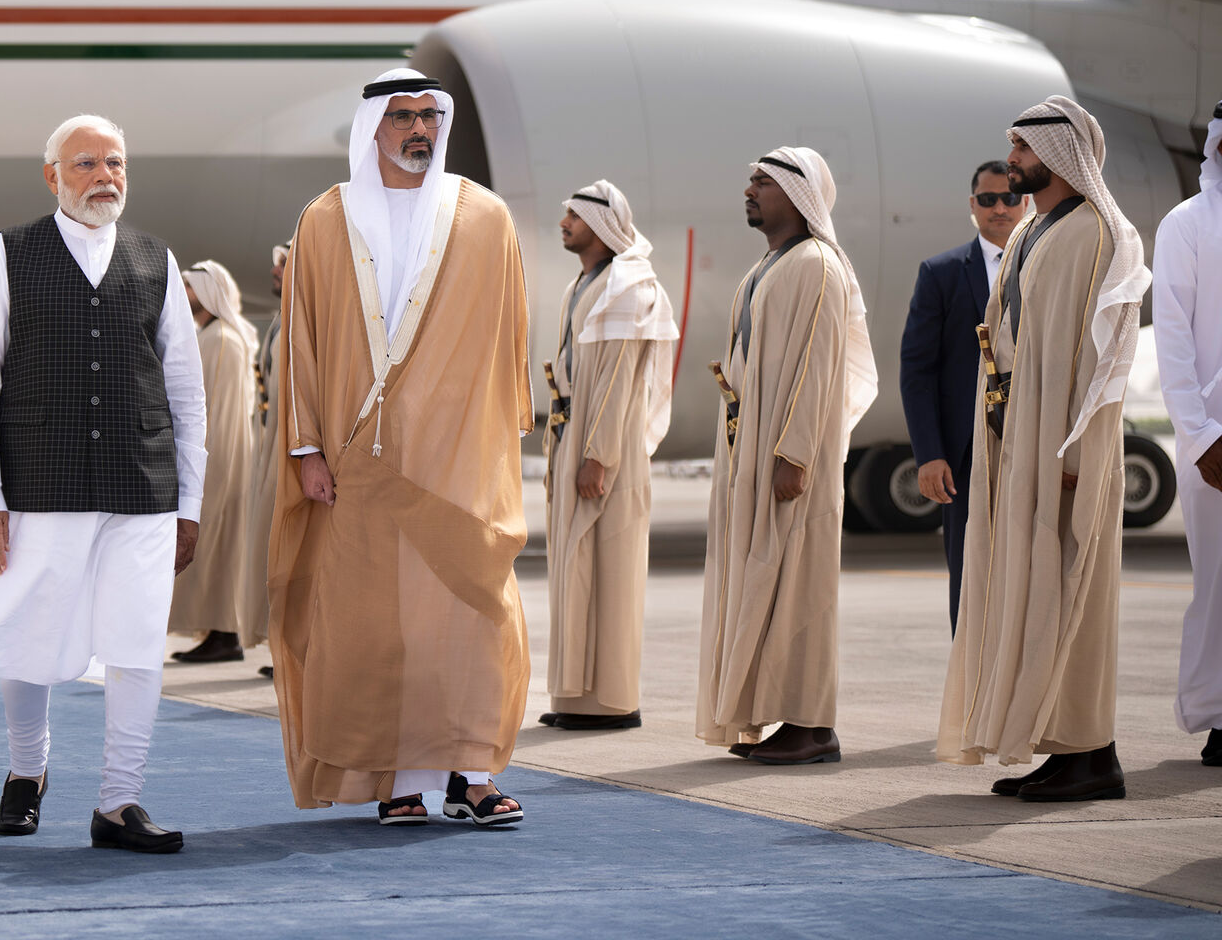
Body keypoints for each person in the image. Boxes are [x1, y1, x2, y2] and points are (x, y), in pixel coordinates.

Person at [0, 115, 207, 854]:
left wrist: (190, 503)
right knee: (30, 634)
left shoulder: (156, 260)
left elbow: (186, 392)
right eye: (86, 163)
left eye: (115, 163)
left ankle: (119, 802)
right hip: (40, 484)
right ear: (52, 176)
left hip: (141, 487)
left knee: (137, 643)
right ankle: (28, 771)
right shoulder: (10, 252)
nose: (104, 176)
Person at [270, 69, 531, 827]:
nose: (419, 129)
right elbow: (302, 345)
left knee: (470, 611)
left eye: (428, 116)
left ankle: (474, 775)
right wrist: (306, 449)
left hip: (459, 457)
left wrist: (502, 434)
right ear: (373, 127)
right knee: (380, 622)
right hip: (360, 459)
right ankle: (401, 780)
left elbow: (509, 337)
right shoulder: (326, 219)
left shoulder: (485, 216)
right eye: (402, 116)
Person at [939, 97, 1149, 801]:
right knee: (1032, 596)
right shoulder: (1036, 229)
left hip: (1064, 447)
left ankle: (1094, 754)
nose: (1013, 160)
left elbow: (1102, 355)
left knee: (1072, 592)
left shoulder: (1095, 232)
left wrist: (1075, 451)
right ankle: (1059, 746)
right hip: (1019, 438)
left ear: (1059, 154)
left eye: (1024, 149)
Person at [697, 148, 876, 766]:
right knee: (760, 585)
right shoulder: (769, 266)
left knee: (800, 587)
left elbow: (819, 366)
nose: (750, 190)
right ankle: (766, 713)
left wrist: (794, 453)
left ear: (799, 194)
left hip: (788, 458)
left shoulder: (818, 265)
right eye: (751, 180)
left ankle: (812, 725)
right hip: (752, 449)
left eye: (764, 182)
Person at [540, 181, 678, 732]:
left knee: (610, 571)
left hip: (606, 450)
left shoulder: (627, 287)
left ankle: (612, 701)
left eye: (573, 216)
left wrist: (598, 456)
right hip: (573, 438)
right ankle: (575, 697)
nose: (564, 224)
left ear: (601, 225)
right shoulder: (585, 284)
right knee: (574, 568)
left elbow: (619, 381)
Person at [901, 161, 1030, 632]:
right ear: (972, 205)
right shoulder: (941, 273)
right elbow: (917, 371)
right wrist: (930, 455)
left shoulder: (1046, 267)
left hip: (1033, 442)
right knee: (969, 573)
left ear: (1025, 203)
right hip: (963, 455)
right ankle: (969, 669)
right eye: (988, 199)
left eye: (1009, 198)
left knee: (1033, 570)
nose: (1000, 208)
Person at [1163, 101, 1222, 765]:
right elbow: (1173, 337)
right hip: (1216, 437)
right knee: (1219, 584)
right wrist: (1200, 435)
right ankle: (1218, 713)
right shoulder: (1188, 223)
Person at [169, 260, 257, 663]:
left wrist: (202, 468)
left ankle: (225, 635)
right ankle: (216, 632)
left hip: (218, 461)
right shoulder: (211, 337)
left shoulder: (221, 340)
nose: (184, 294)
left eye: (190, 287)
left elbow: (216, 414)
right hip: (212, 460)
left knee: (220, 548)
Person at [239, 243, 289, 677]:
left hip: (296, 452)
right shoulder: (279, 321)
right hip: (273, 447)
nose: (275, 272)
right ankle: (285, 650)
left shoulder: (307, 320)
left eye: (284, 265)